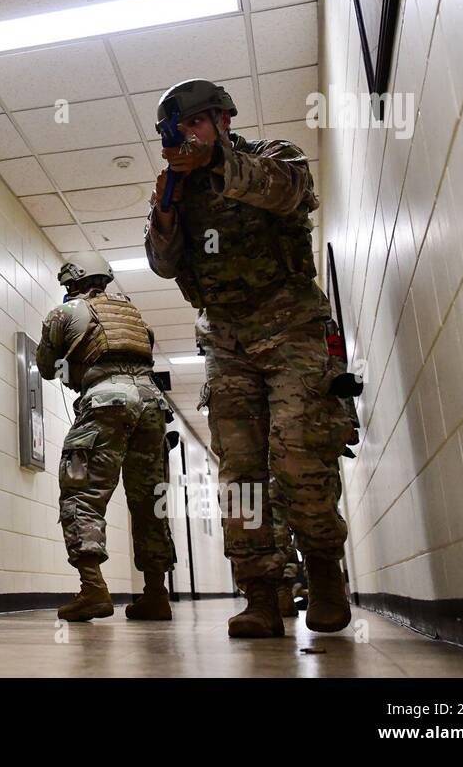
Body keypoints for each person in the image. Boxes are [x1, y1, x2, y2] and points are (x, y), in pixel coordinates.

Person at [144, 79, 354, 638]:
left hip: (291, 327)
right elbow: (163, 264)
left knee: (299, 451)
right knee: (240, 474)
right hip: (226, 341)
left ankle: (324, 573)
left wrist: (214, 164)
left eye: (194, 123)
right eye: (177, 130)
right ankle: (261, 593)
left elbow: (287, 192)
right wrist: (165, 210)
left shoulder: (274, 156)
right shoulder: (178, 188)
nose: (186, 137)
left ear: (222, 119)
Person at [35, 251, 176, 622]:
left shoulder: (66, 311)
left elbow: (46, 367)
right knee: (150, 499)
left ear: (74, 282)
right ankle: (156, 594)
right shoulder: (133, 313)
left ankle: (93, 589)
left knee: (81, 491)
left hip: (106, 400)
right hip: (152, 403)